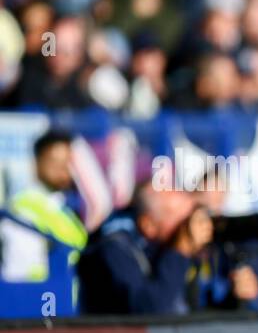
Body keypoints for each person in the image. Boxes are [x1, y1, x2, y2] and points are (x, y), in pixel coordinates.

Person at [76, 180, 211, 315]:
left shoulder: (164, 249)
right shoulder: (115, 251)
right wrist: (181, 250)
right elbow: (151, 310)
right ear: (149, 225)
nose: (189, 228)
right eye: (182, 221)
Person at [0, 128, 86, 282]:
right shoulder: (24, 210)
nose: (63, 169)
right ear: (36, 164)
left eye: (67, 162)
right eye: (54, 161)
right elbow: (19, 274)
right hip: (47, 302)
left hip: (68, 302)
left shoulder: (64, 206)